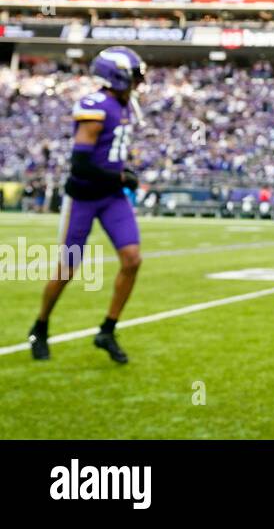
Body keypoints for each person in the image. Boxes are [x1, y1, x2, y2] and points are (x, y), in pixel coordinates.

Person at [28, 47, 147, 364]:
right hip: (83, 198)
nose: (137, 82)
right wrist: (120, 177)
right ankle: (40, 326)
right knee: (67, 269)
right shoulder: (96, 106)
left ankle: (107, 330)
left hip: (111, 198)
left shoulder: (124, 106)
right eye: (134, 75)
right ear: (118, 76)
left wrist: (120, 176)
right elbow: (80, 164)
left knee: (133, 259)